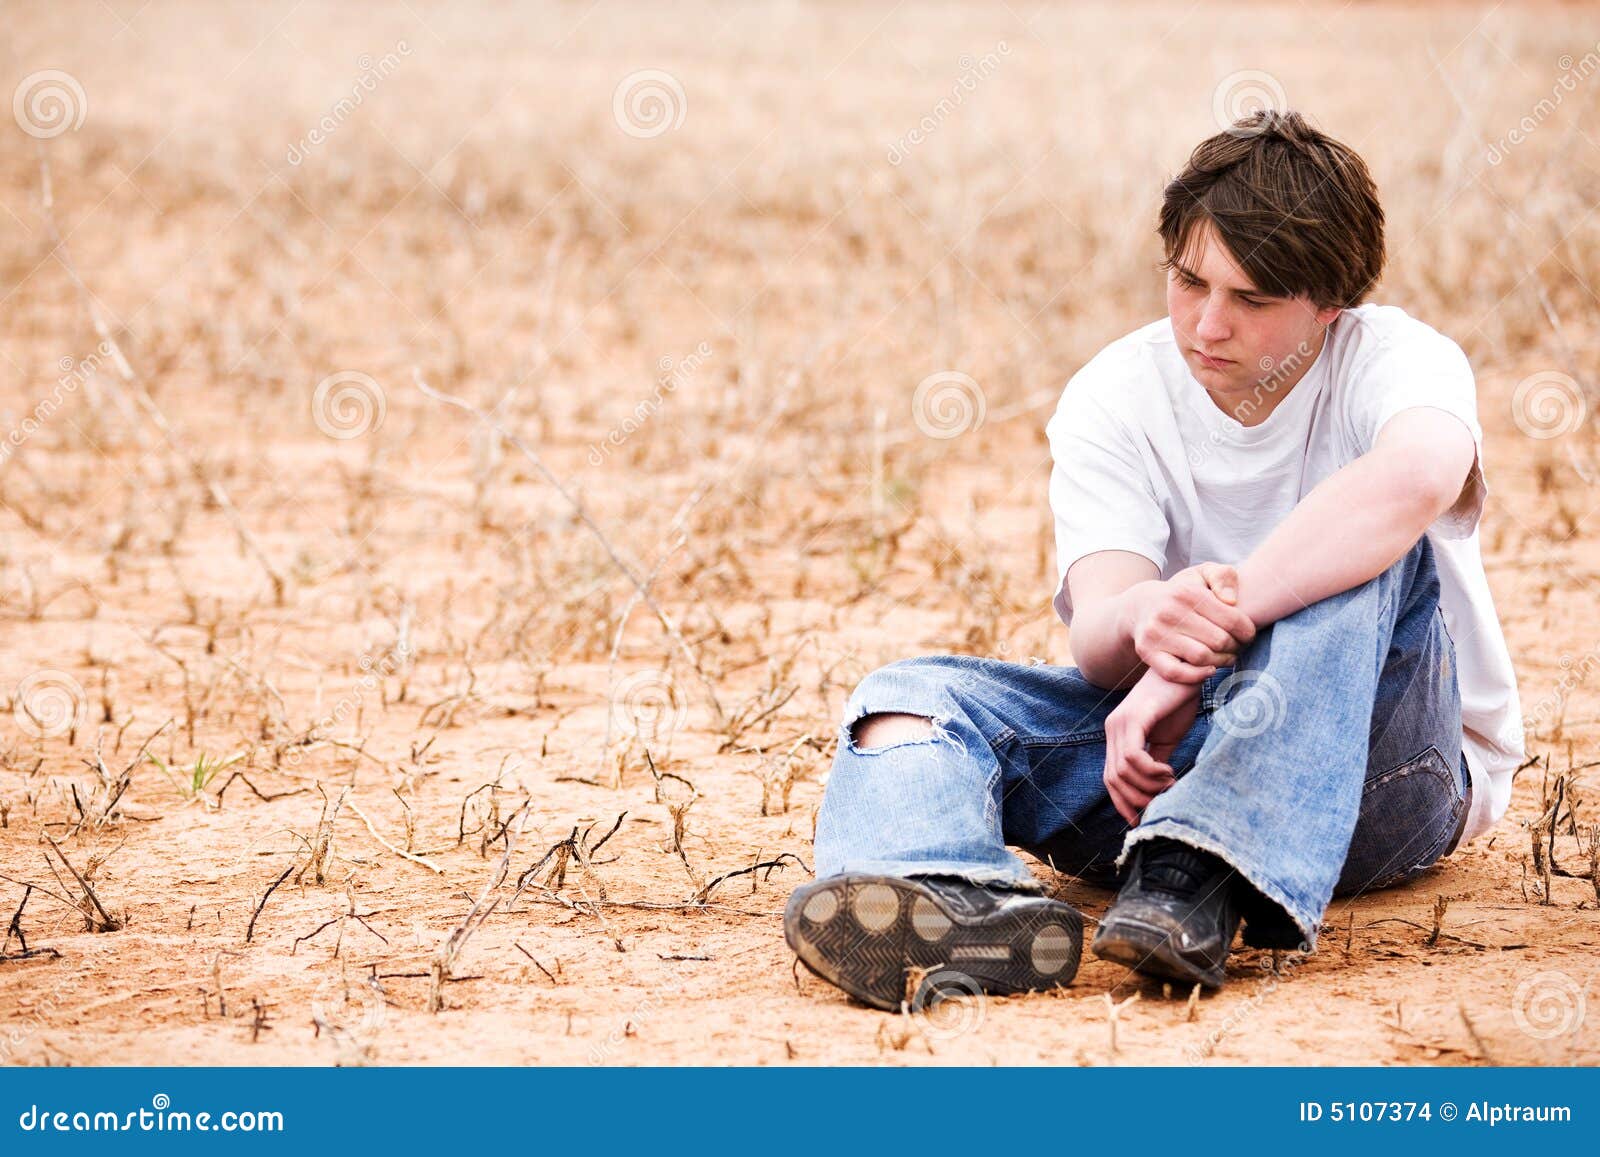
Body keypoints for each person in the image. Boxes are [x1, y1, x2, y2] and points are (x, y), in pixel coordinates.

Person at [784, 109, 1525, 1011]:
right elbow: (1101, 635)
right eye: (1188, 280)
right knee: (903, 698)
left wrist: (1206, 633)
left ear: (1331, 307)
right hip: (1156, 769)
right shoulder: (1115, 392)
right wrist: (1148, 622)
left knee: (1369, 554)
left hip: (1384, 778)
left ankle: (1202, 864)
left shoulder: (1397, 359)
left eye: (1252, 299)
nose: (1208, 323)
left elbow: (1416, 477)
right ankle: (947, 892)